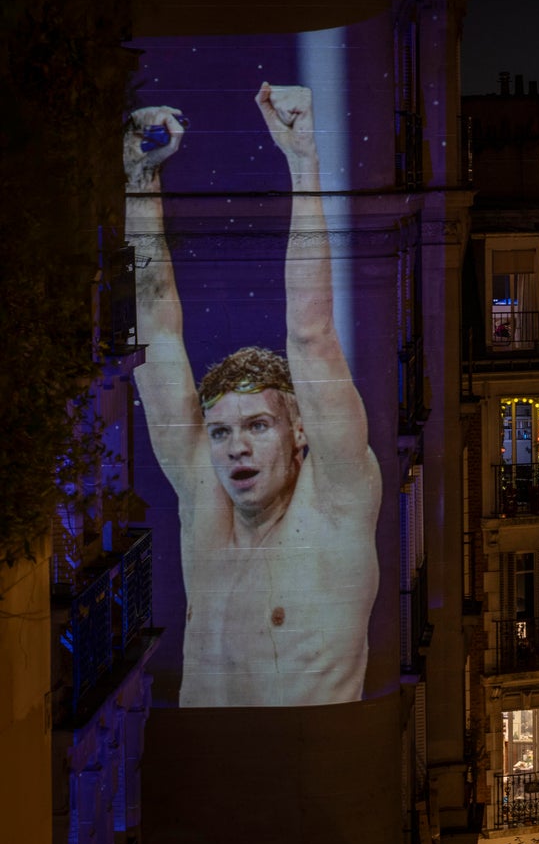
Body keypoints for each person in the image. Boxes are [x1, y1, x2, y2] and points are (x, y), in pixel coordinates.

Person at [125, 83, 381, 708]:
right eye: (221, 432)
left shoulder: (337, 503)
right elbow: (154, 334)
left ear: (299, 432)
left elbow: (312, 333)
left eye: (259, 426)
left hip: (306, 783)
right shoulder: (204, 499)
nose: (236, 448)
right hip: (200, 784)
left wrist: (302, 160)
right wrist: (138, 176)